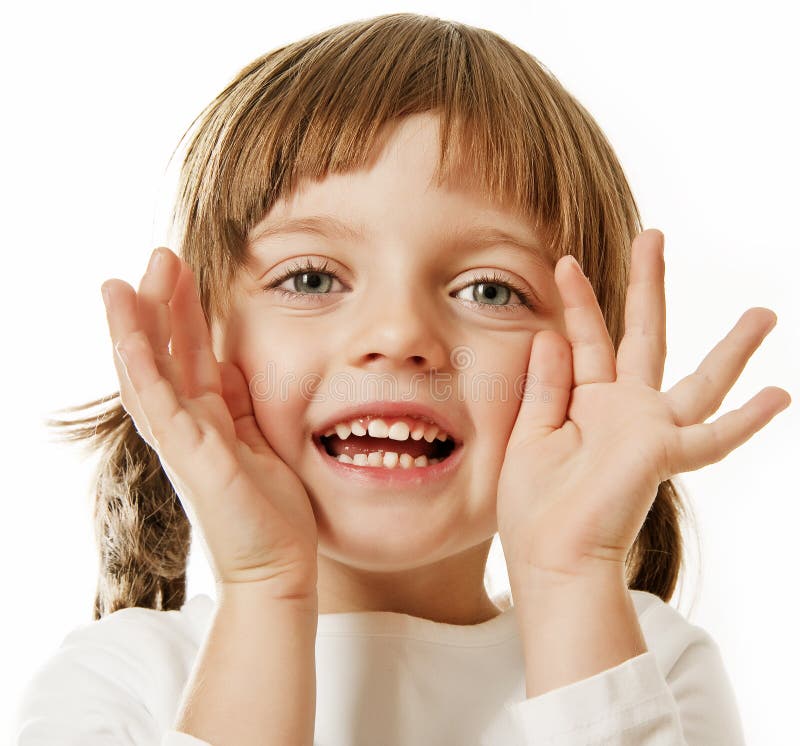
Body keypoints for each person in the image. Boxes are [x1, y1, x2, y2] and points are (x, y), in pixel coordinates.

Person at [11, 12, 789, 746]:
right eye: (311, 278)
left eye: (488, 290)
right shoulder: (120, 680)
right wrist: (265, 593)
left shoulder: (647, 662)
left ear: (595, 371)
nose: (399, 336)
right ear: (204, 344)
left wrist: (569, 578)